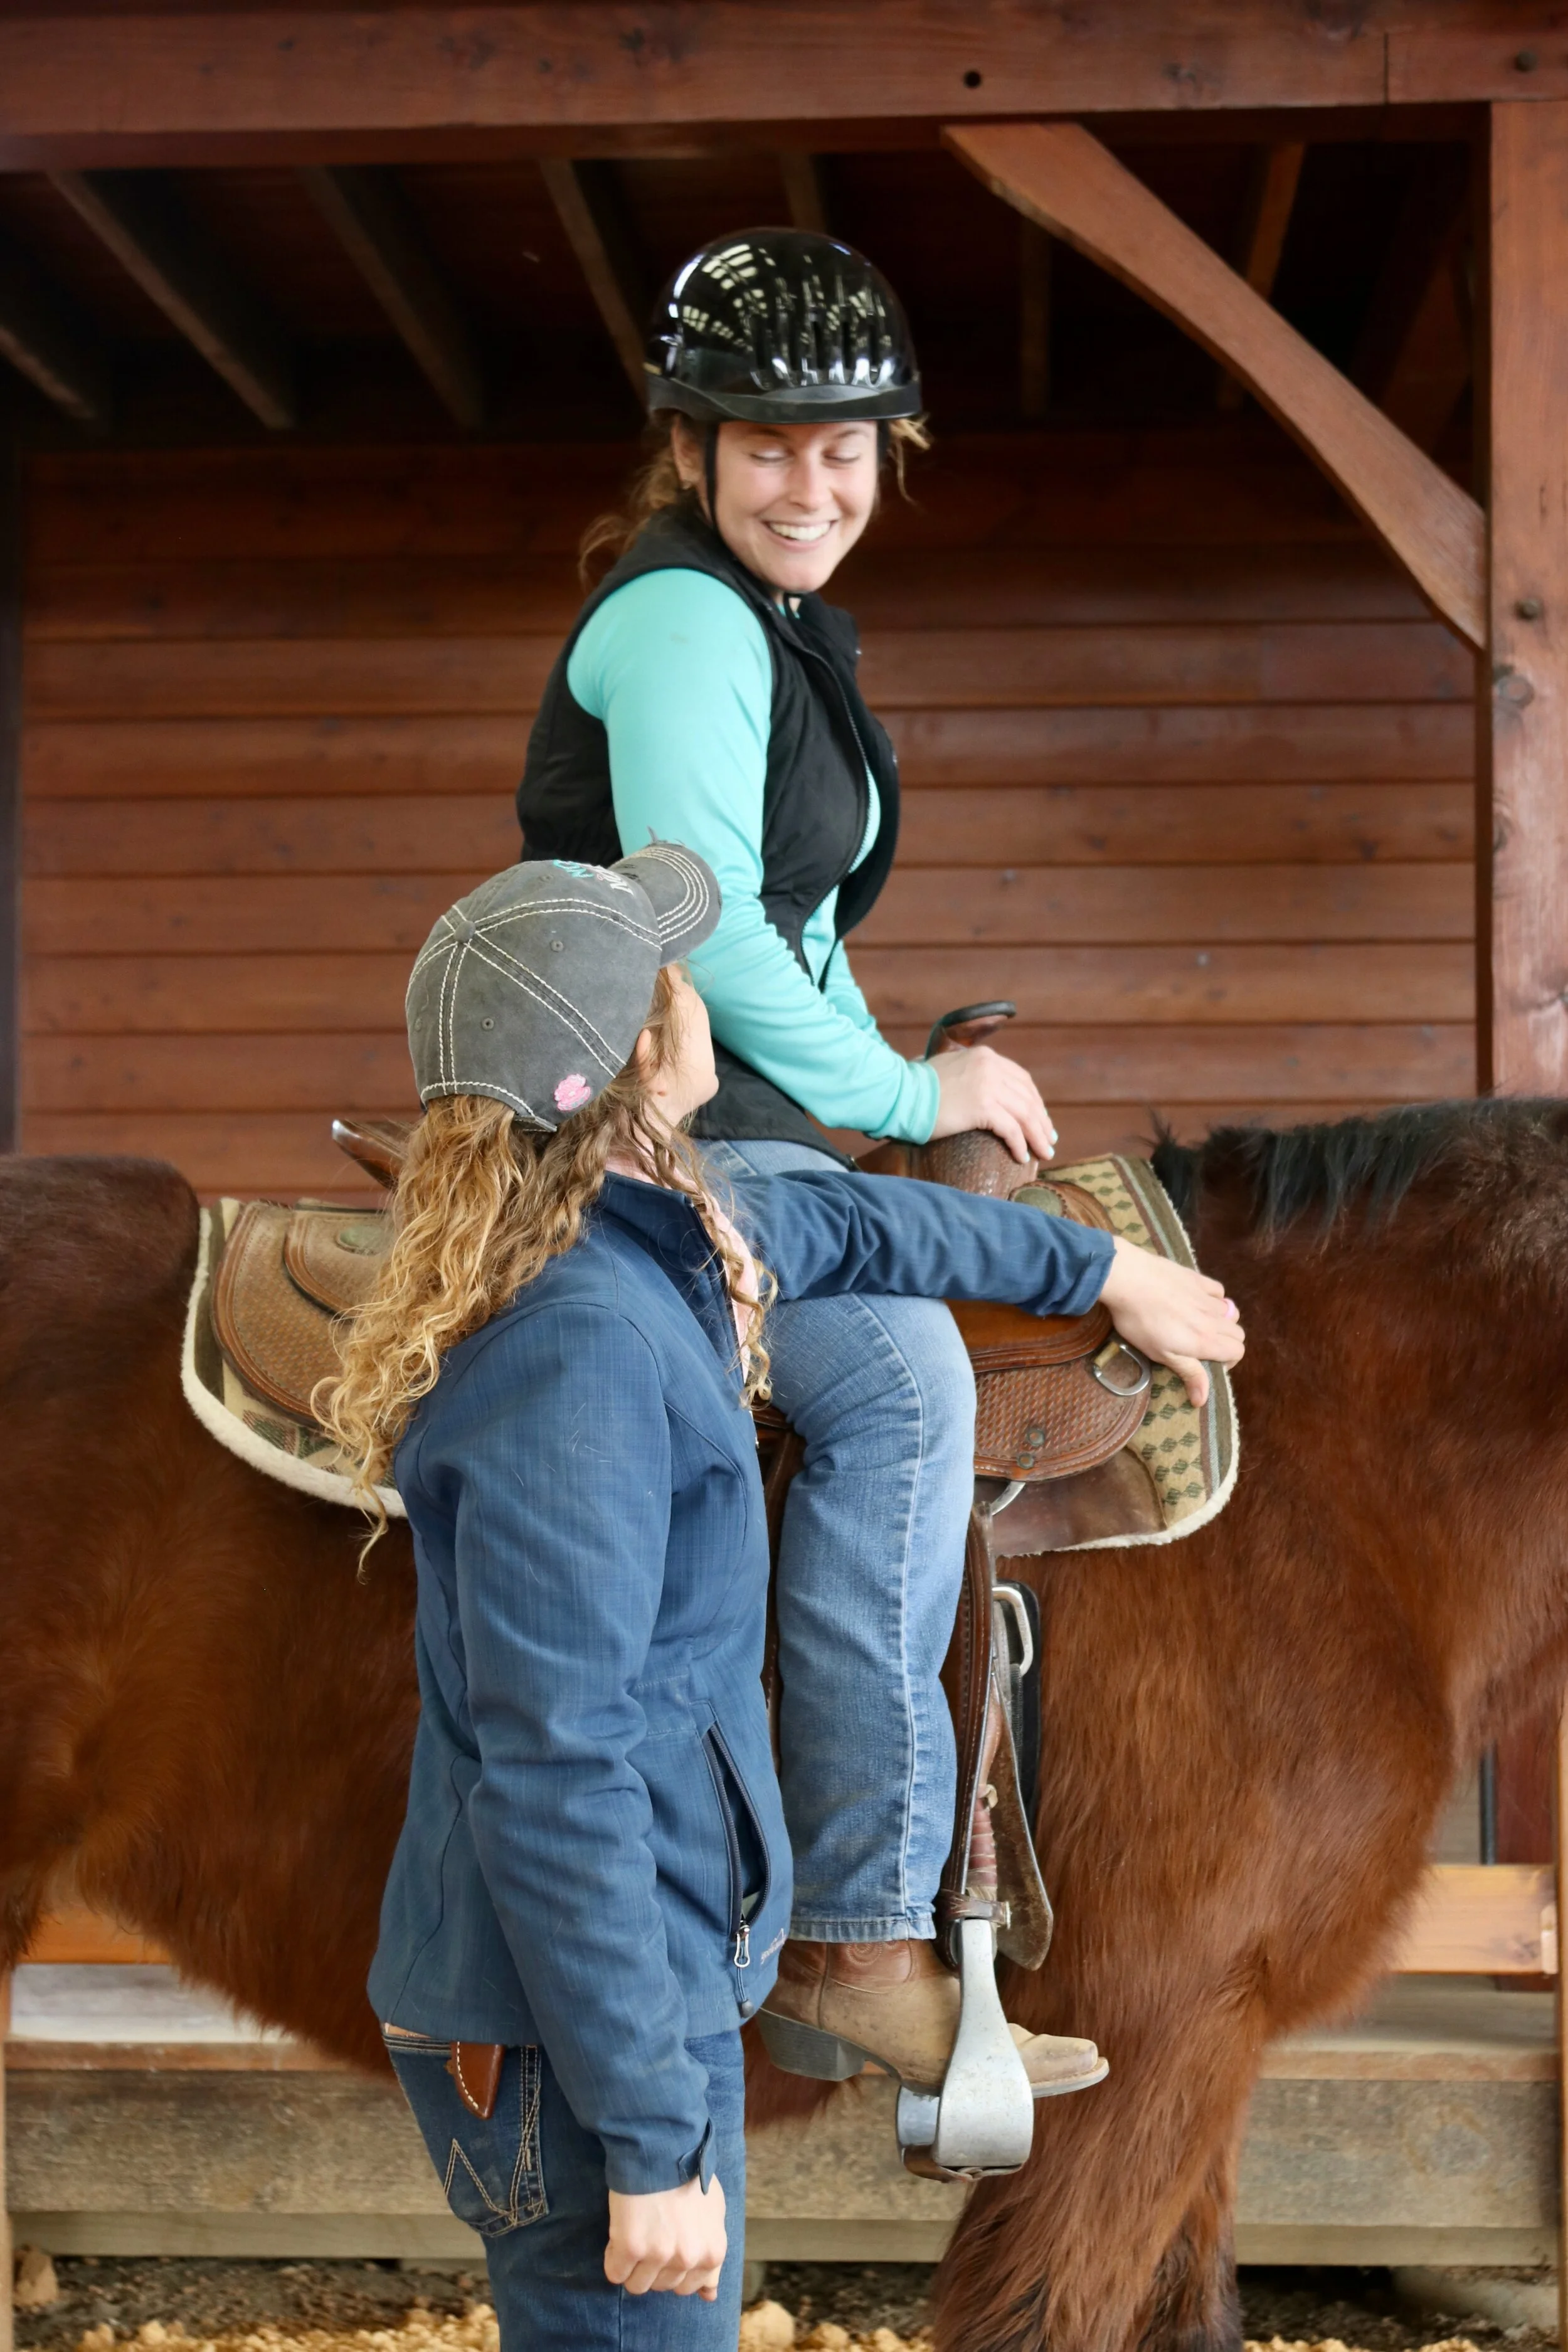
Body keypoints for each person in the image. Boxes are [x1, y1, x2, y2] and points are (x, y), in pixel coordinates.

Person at [324, 844, 1245, 2351]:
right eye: (670, 980)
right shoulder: (577, 1356)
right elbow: (561, 1774)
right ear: (643, 1055)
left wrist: (1095, 1271)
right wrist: (651, 2141)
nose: (695, 996)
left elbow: (876, 1230)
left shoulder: (657, 1235)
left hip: (632, 2014)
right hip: (582, 2055)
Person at [516, 228, 1159, 2083]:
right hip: (648, 1126)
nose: (810, 483)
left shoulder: (778, 626)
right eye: (767, 445)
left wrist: (919, 1063)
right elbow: (705, 935)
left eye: (844, 446)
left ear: (890, 452)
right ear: (693, 449)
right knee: (895, 1380)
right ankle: (860, 1937)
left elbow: (789, 926)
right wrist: (898, 1094)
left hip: (756, 1115)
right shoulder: (678, 618)